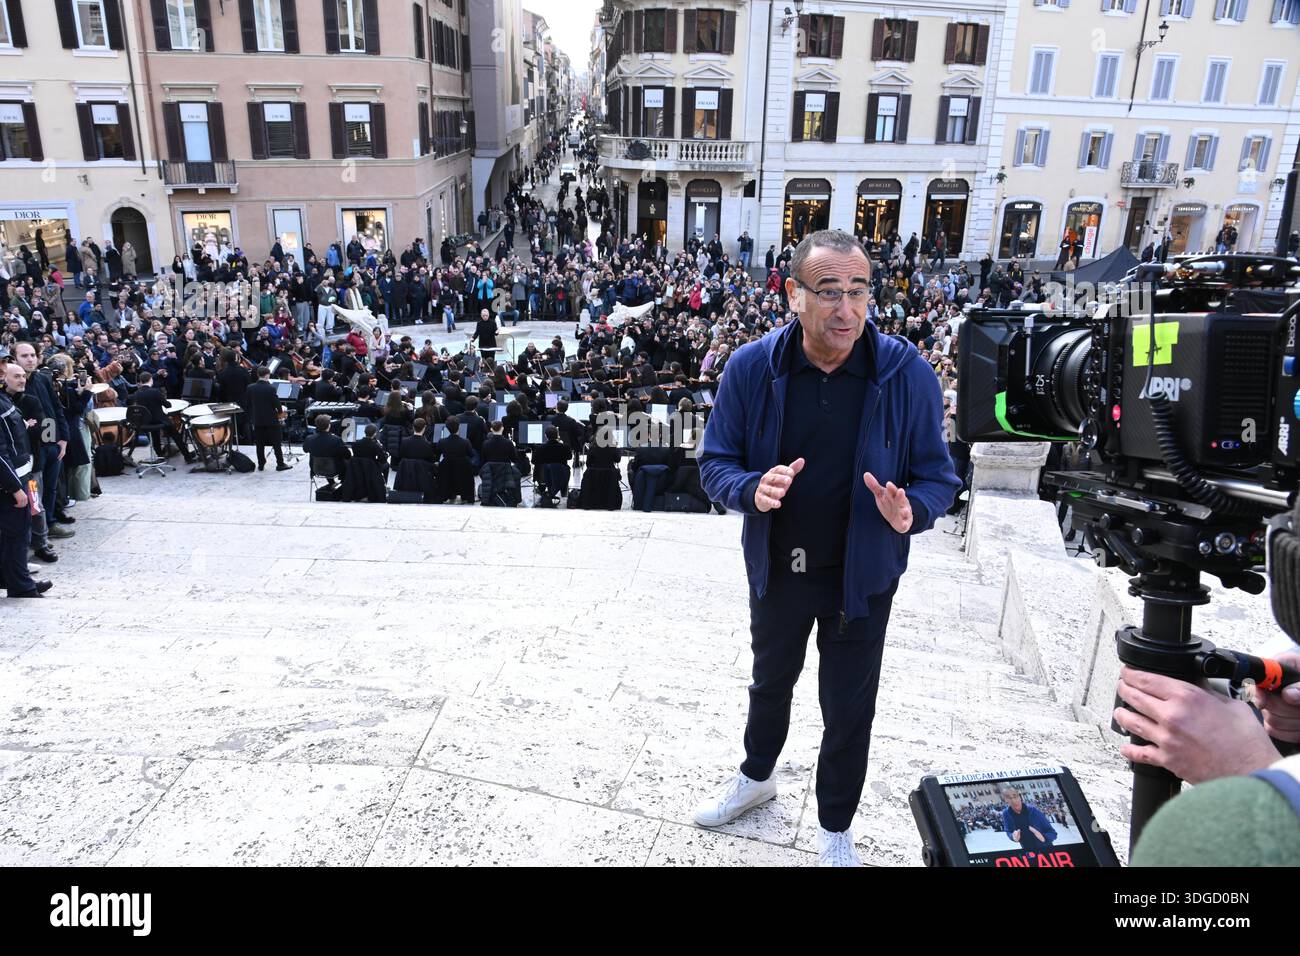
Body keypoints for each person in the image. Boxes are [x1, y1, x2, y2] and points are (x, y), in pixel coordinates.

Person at [694, 229, 960, 867]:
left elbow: (939, 478)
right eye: (829, 292)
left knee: (848, 708)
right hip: (779, 573)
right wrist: (752, 489)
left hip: (861, 579)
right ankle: (757, 779)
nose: (847, 309)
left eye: (859, 292)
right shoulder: (752, 367)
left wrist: (911, 511)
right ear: (793, 295)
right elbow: (714, 465)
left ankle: (835, 829)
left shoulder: (906, 373)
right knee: (769, 684)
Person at [245, 366, 291, 471]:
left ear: (258, 375)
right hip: (271, 420)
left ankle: (261, 464)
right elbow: (277, 404)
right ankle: (280, 464)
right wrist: (280, 412)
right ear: (267, 375)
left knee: (259, 444)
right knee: (276, 443)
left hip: (257, 420)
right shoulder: (271, 388)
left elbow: (248, 404)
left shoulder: (250, 387)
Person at [1000, 786, 1057, 853]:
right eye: (1009, 798)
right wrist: (1013, 837)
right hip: (1028, 852)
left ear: (1019, 796)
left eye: (1015, 796)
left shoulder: (1033, 810)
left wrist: (1044, 837)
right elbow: (1008, 831)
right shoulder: (1006, 813)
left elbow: (1052, 832)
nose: (1013, 800)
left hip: (1046, 849)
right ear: (1005, 801)